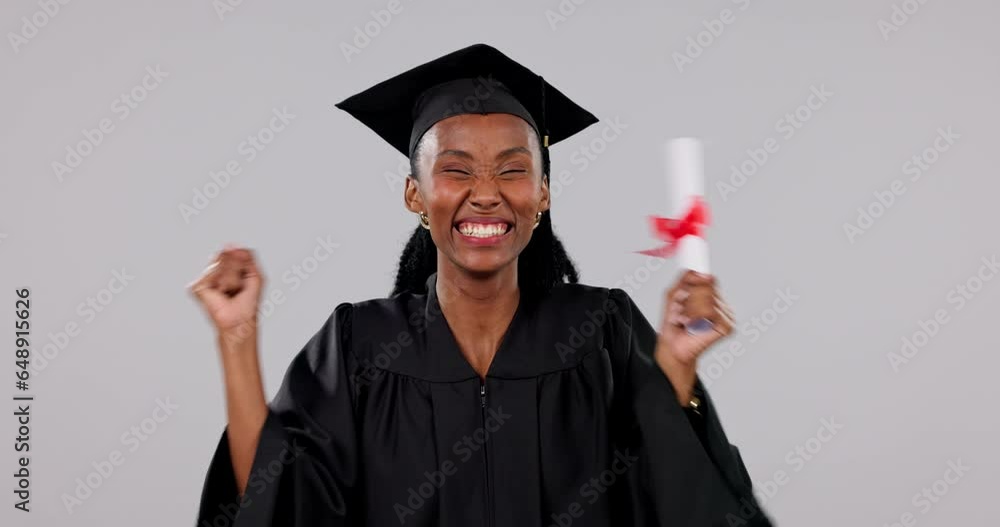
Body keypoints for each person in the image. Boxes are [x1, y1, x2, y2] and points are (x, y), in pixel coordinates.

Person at [188, 43, 774, 527]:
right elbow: (276, 500)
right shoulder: (360, 345)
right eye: (457, 169)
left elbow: (667, 491)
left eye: (514, 169)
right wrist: (236, 339)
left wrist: (673, 364)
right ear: (415, 194)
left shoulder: (600, 329)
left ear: (543, 194)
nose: (487, 192)